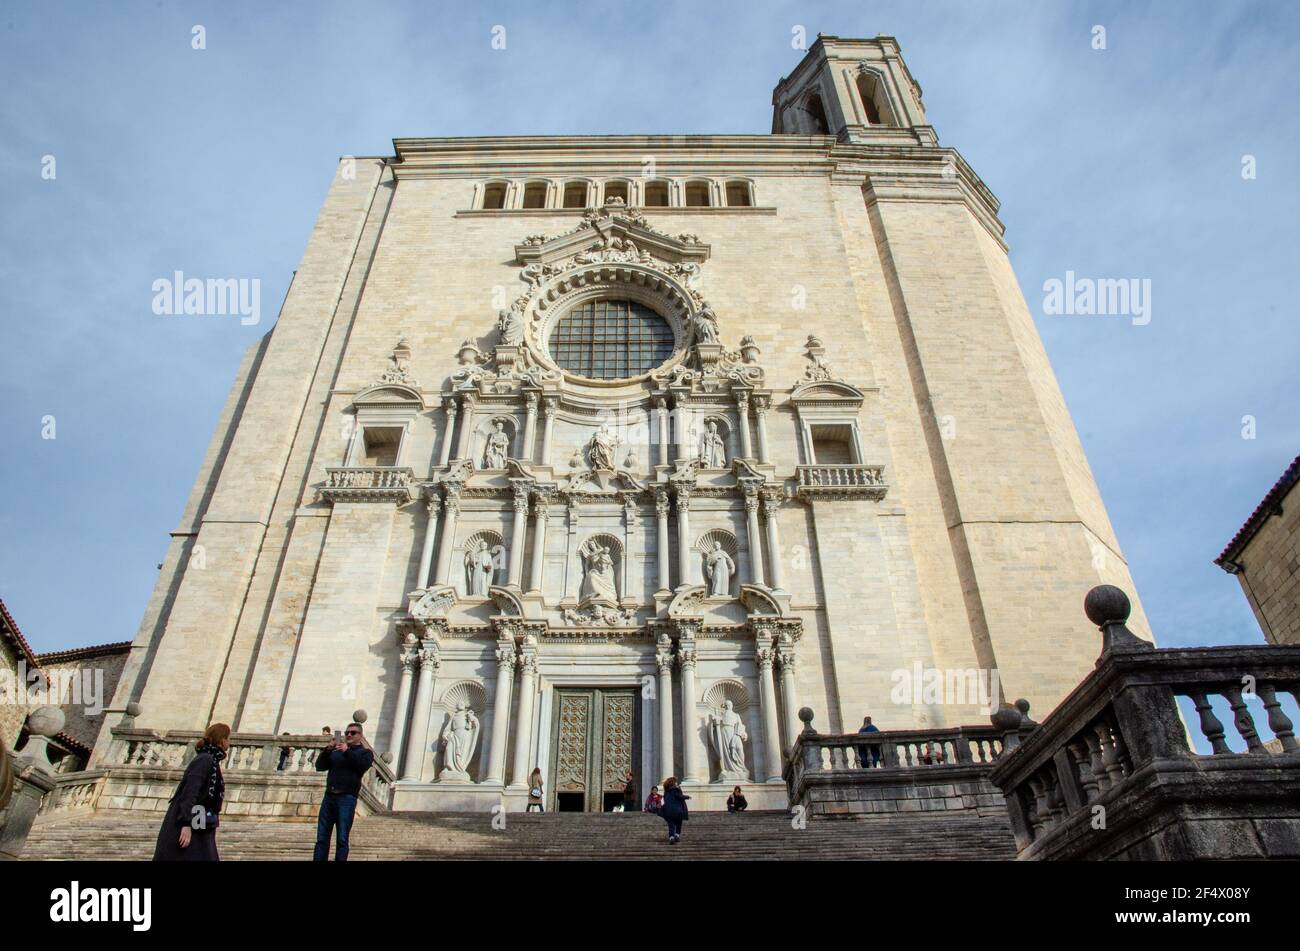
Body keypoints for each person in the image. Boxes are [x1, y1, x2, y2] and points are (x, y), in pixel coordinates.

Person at [153, 723, 229, 861]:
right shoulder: (205, 759)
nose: (229, 743)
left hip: (199, 820)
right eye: (228, 739)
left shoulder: (211, 760)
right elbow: (190, 791)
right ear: (222, 740)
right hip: (190, 819)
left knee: (203, 852)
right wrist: (186, 824)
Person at [313, 722, 373, 862]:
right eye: (347, 733)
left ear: (361, 736)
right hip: (329, 797)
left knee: (342, 838)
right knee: (322, 838)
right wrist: (327, 750)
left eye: (353, 733)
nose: (349, 735)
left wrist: (348, 751)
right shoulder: (336, 752)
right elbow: (320, 766)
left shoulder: (365, 753)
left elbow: (361, 766)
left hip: (347, 798)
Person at [660, 776, 689, 845]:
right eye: (676, 782)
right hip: (677, 811)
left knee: (671, 824)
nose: (677, 783)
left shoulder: (666, 792)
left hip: (668, 812)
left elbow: (664, 801)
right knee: (679, 823)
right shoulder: (676, 790)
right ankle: (677, 835)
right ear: (673, 783)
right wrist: (687, 797)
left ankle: (671, 837)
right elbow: (680, 797)